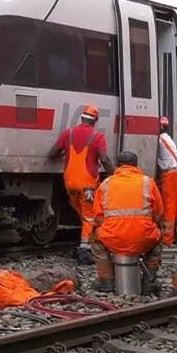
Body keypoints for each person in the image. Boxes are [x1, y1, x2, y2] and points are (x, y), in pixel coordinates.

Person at [90, 151, 165, 293]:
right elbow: (159, 213)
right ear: (136, 165)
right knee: (159, 237)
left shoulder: (106, 184)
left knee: (95, 237)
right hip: (143, 238)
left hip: (113, 239)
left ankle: (106, 281)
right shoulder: (148, 182)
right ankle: (149, 281)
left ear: (117, 166)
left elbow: (98, 217)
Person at [48, 105, 113, 264]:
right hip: (88, 185)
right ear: (95, 121)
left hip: (69, 183)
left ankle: (93, 239)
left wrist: (66, 152)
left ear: (82, 118)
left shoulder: (68, 133)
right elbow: (104, 159)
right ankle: (84, 248)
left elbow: (52, 153)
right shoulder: (98, 137)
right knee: (89, 216)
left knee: (83, 215)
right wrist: (114, 173)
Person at [156, 116, 177, 245]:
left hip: (170, 175)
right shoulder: (167, 138)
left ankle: (167, 239)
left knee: (169, 207)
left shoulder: (159, 140)